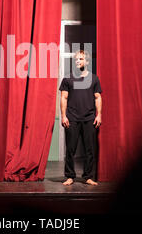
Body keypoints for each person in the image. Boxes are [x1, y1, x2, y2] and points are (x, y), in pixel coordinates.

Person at [59, 50, 102, 186]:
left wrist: (99, 115)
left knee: (89, 149)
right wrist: (64, 116)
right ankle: (70, 176)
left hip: (89, 118)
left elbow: (98, 97)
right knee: (70, 149)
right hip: (72, 118)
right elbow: (63, 98)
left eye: (81, 59)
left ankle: (88, 176)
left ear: (87, 62)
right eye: (76, 59)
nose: (78, 61)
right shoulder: (67, 78)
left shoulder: (94, 79)